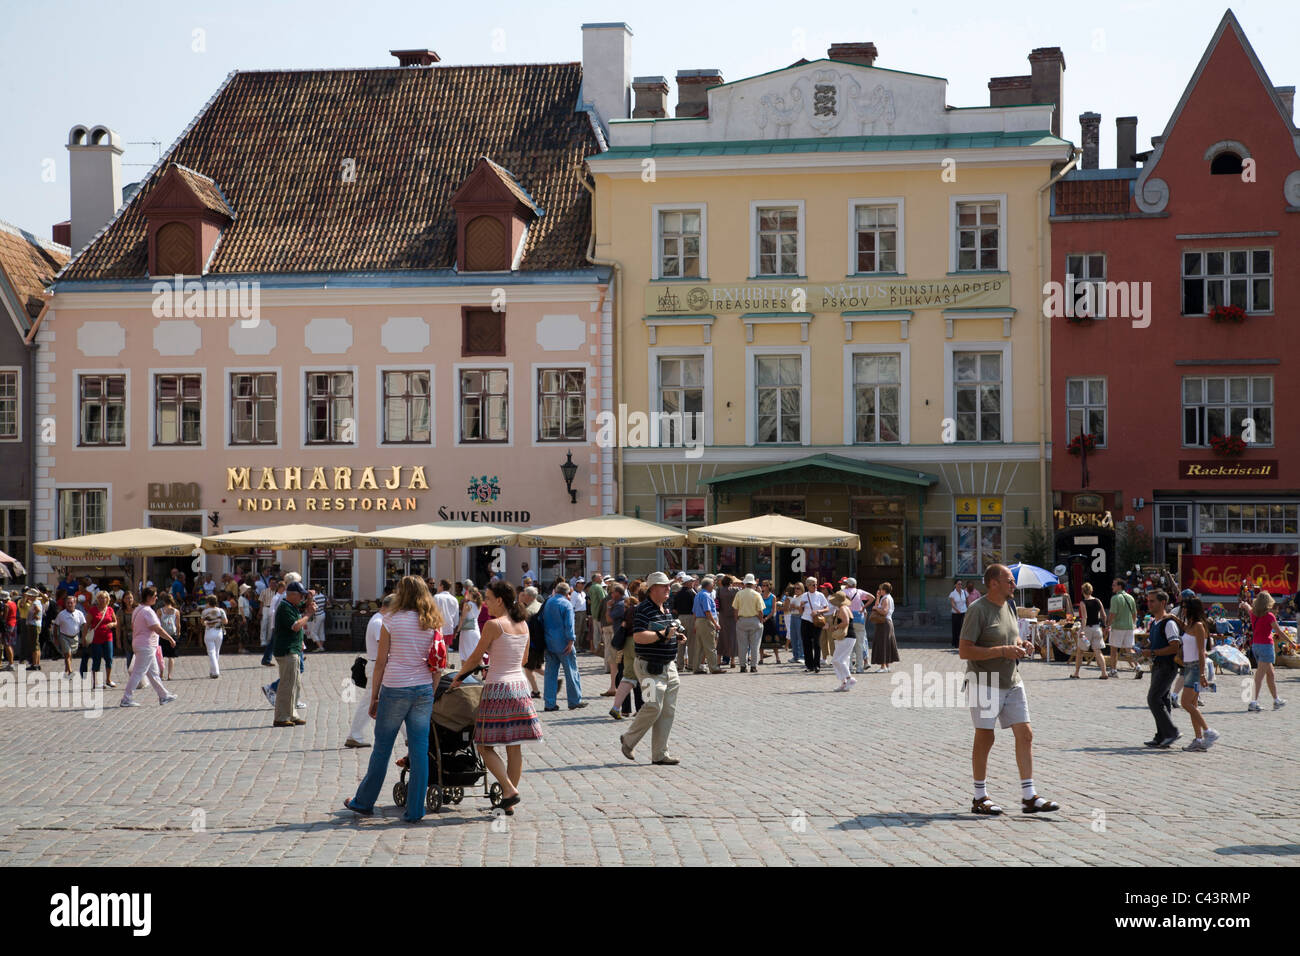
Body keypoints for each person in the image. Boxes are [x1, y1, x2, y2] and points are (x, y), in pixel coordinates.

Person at [959, 564, 1059, 816]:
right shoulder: (977, 610)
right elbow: (965, 650)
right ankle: (979, 796)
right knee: (985, 737)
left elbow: (1010, 637)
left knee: (1025, 734)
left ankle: (1029, 796)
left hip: (1012, 680)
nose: (1013, 584)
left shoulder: (1011, 606)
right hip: (984, 681)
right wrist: (1003, 651)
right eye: (1009, 580)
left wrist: (1020, 644)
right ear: (993, 583)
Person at [344, 576, 443, 822]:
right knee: (419, 749)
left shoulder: (390, 620)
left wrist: (374, 695)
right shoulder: (432, 622)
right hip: (423, 688)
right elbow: (440, 663)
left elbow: (381, 663)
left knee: (382, 747)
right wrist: (432, 690)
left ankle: (364, 801)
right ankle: (415, 809)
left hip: (395, 685)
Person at [450, 580, 540, 815]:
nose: (486, 603)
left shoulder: (493, 625)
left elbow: (473, 657)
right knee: (514, 746)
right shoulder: (523, 625)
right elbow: (523, 660)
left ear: (499, 600)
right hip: (520, 687)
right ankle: (509, 800)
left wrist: (459, 676)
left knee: (483, 744)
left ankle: (509, 790)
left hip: (498, 688)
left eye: (488, 598)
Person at [619, 571, 683, 765]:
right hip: (648, 666)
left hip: (669, 666)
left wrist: (676, 636)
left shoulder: (666, 607)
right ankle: (628, 740)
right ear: (653, 589)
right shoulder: (643, 609)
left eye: (668, 586)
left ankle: (660, 754)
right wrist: (663, 634)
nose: (668, 589)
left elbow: (666, 631)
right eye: (664, 586)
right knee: (653, 706)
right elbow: (639, 636)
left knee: (667, 711)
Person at [347, 594, 396, 748]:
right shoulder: (379, 622)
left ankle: (408, 735)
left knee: (391, 701)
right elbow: (384, 646)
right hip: (378, 666)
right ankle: (354, 734)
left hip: (380, 665)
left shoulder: (380, 620)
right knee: (371, 701)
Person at [119, 587, 178, 707]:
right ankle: (126, 698)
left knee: (153, 673)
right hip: (146, 645)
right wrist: (170, 638)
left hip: (142, 644)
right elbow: (157, 628)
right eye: (155, 596)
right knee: (138, 672)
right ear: (149, 597)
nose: (156, 598)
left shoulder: (138, 609)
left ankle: (164, 696)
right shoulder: (147, 611)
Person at [1141, 589, 1183, 748]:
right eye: (1149, 601)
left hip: (1167, 666)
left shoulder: (1169, 623)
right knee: (1163, 700)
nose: (1149, 604)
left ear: (1163, 603)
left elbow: (1174, 646)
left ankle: (1172, 732)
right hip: (1157, 665)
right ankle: (1162, 736)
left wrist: (1152, 652)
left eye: (1153, 601)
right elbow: (1154, 642)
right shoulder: (1154, 622)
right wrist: (1144, 649)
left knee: (1153, 698)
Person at [1178, 598, 1220, 751]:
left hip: (1196, 667)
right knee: (1193, 705)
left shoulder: (1199, 626)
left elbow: (1202, 652)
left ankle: (1209, 731)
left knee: (1185, 703)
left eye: (1185, 607)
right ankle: (1198, 739)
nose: (1183, 610)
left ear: (1192, 609)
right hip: (1187, 666)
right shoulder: (1188, 625)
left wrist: (1202, 674)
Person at [271, 582, 313, 727]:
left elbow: (304, 609)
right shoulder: (284, 608)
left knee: (295, 684)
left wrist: (309, 599)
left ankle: (292, 714)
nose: (302, 597)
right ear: (292, 595)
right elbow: (295, 626)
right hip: (287, 650)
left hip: (293, 649)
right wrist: (308, 615)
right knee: (287, 685)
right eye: (300, 595)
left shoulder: (291, 606)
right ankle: (281, 717)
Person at [541, 581, 584, 711]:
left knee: (550, 674)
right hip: (564, 644)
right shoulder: (566, 604)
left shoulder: (548, 602)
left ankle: (549, 703)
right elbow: (569, 626)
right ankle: (574, 701)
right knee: (571, 672)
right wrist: (571, 641)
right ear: (567, 593)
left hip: (549, 642)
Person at [1244, 591, 1287, 713]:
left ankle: (1276, 699)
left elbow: (1248, 607)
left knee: (1271, 674)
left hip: (1256, 646)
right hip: (1266, 647)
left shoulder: (1253, 613)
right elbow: (1279, 632)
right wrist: (1291, 642)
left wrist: (1244, 604)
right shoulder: (1269, 616)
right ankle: (1253, 702)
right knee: (1260, 676)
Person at [1071, 582, 1110, 679]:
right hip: (1097, 628)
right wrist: (1104, 626)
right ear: (1091, 590)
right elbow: (1104, 615)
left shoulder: (1083, 603)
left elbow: (1084, 617)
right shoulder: (1097, 600)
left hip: (1087, 629)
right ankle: (1104, 672)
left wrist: (1082, 630)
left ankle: (1076, 673)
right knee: (1098, 651)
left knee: (1080, 651)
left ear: (1082, 591)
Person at [1106, 578, 1142, 678]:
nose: (1112, 587)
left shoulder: (1115, 598)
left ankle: (1113, 670)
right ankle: (1138, 666)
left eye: (1114, 585)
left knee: (1114, 650)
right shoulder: (1130, 597)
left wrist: (1107, 625)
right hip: (1129, 627)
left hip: (1117, 627)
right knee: (1129, 649)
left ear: (1119, 586)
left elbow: (1112, 614)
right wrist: (1133, 624)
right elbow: (1134, 613)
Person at [84, 591, 117, 689]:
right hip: (96, 638)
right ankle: (96, 682)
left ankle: (108, 679)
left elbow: (115, 621)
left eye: (105, 598)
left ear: (108, 599)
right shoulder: (93, 610)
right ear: (97, 599)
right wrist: (84, 638)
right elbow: (87, 625)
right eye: (101, 598)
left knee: (109, 658)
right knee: (96, 659)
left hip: (108, 637)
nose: (103, 600)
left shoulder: (110, 609)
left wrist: (112, 624)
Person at [732, 574, 765, 672]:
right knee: (755, 645)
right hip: (754, 620)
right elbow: (761, 611)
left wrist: (737, 620)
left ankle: (743, 666)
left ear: (745, 583)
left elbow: (735, 609)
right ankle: (753, 666)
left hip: (742, 620)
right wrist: (760, 620)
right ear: (753, 583)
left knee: (742, 645)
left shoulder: (739, 594)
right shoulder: (757, 594)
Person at [690, 575, 721, 674]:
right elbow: (707, 611)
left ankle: (697, 667)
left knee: (699, 646)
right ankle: (714, 667)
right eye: (713, 584)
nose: (714, 586)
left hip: (699, 621)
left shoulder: (698, 594)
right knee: (710, 645)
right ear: (708, 585)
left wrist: (695, 624)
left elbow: (694, 612)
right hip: (706, 621)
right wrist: (715, 623)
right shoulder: (706, 595)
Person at [826, 591, 856, 691]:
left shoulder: (843, 608)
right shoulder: (842, 608)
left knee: (837, 660)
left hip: (847, 637)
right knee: (843, 660)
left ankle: (849, 678)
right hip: (847, 638)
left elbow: (846, 622)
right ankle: (844, 682)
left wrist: (835, 627)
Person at [798, 576, 829, 673]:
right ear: (807, 586)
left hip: (817, 622)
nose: (815, 586)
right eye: (813, 584)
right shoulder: (804, 596)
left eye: (816, 584)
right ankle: (809, 665)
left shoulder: (820, 595)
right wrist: (801, 606)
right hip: (806, 620)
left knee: (816, 643)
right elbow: (800, 611)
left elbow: (827, 608)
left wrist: (818, 611)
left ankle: (817, 665)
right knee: (806, 643)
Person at [841, 577, 872, 672]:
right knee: (859, 644)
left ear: (848, 584)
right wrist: (864, 607)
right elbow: (872, 597)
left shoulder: (844, 592)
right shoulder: (859, 592)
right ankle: (859, 667)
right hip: (859, 619)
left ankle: (850, 667)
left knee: (849, 645)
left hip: (849, 619)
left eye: (846, 583)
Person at [53, 594, 87, 678]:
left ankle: (66, 670)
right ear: (65, 604)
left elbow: (84, 625)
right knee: (67, 654)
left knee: (70, 655)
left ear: (75, 603)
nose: (70, 604)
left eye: (71, 603)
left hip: (75, 637)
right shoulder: (61, 614)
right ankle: (71, 671)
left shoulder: (79, 613)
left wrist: (84, 637)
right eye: (68, 603)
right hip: (64, 636)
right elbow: (56, 625)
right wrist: (56, 637)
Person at [520, 586, 545, 699]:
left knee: (528, 667)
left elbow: (523, 629)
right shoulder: (540, 606)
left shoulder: (529, 611)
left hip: (532, 644)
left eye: (524, 594)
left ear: (529, 596)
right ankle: (553, 679)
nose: (523, 596)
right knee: (535, 667)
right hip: (540, 643)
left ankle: (536, 691)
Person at [869, 582, 899, 672]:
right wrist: (877, 597)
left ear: (884, 590)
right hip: (885, 622)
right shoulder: (885, 598)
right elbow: (878, 605)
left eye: (881, 589)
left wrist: (876, 609)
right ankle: (886, 665)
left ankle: (883, 666)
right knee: (886, 643)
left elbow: (884, 611)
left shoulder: (886, 599)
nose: (879, 590)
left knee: (882, 643)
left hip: (884, 622)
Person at [671, 574, 696, 671]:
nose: (693, 583)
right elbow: (695, 608)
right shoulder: (692, 593)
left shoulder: (678, 593)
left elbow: (674, 609)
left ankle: (680, 665)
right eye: (691, 581)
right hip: (690, 617)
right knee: (691, 642)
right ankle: (690, 665)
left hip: (680, 618)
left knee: (680, 642)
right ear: (687, 583)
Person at [200, 594, 227, 678]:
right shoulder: (221, 610)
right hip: (219, 632)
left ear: (208, 602)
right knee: (217, 652)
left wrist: (208, 622)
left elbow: (202, 622)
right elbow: (225, 621)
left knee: (211, 652)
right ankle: (213, 671)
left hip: (209, 632)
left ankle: (215, 671)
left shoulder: (205, 611)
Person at [157, 593, 180, 681]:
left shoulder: (160, 611)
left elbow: (157, 623)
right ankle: (169, 675)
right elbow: (178, 625)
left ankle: (161, 674)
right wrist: (178, 633)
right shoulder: (176, 611)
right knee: (171, 656)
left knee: (161, 656)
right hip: (172, 634)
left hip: (162, 634)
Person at [716, 575, 738, 668]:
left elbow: (717, 601)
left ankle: (718, 660)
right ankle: (732, 661)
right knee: (733, 638)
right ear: (731, 582)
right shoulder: (736, 590)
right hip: (733, 616)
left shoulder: (719, 590)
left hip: (722, 616)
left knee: (722, 637)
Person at [433, 579, 459, 659]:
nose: (437, 587)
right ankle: (446, 663)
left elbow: (433, 612)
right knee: (446, 648)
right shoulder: (454, 599)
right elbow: (456, 616)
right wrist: (455, 627)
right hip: (449, 627)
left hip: (438, 626)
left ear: (442, 586)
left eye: (439, 585)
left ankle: (440, 664)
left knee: (437, 648)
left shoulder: (436, 597)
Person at [758, 580, 782, 664]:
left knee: (774, 638)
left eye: (766, 585)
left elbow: (773, 610)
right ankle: (761, 658)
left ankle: (777, 658)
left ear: (769, 586)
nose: (764, 587)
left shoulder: (773, 597)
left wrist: (766, 618)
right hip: (761, 617)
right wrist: (761, 618)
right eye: (763, 585)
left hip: (770, 618)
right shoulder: (759, 596)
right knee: (761, 639)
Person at [458, 586, 483, 665]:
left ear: (470, 594)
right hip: (476, 630)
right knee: (476, 652)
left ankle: (465, 674)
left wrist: (457, 630)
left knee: (464, 653)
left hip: (467, 630)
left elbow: (463, 618)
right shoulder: (478, 605)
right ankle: (484, 670)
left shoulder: (468, 604)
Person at [784, 582, 804, 665]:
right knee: (793, 637)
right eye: (795, 588)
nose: (796, 590)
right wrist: (791, 608)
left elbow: (802, 610)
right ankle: (795, 656)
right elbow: (789, 609)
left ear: (802, 589)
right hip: (793, 616)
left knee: (800, 638)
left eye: (798, 588)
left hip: (800, 617)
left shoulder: (804, 597)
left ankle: (802, 656)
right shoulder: (795, 597)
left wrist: (794, 607)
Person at [948, 579, 968, 650]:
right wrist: (957, 611)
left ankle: (962, 643)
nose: (960, 585)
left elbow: (967, 602)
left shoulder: (964, 592)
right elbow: (953, 604)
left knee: (963, 628)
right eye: (958, 584)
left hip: (964, 612)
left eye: (961, 584)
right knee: (956, 628)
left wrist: (968, 610)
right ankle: (955, 643)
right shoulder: (952, 593)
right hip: (956, 613)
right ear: (955, 585)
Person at [571, 578, 589, 653]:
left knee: (583, 630)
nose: (582, 585)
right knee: (577, 631)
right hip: (577, 613)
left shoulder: (583, 593)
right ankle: (576, 646)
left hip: (584, 613)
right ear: (577, 584)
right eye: (580, 583)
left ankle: (580, 646)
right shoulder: (574, 594)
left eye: (583, 583)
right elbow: (572, 606)